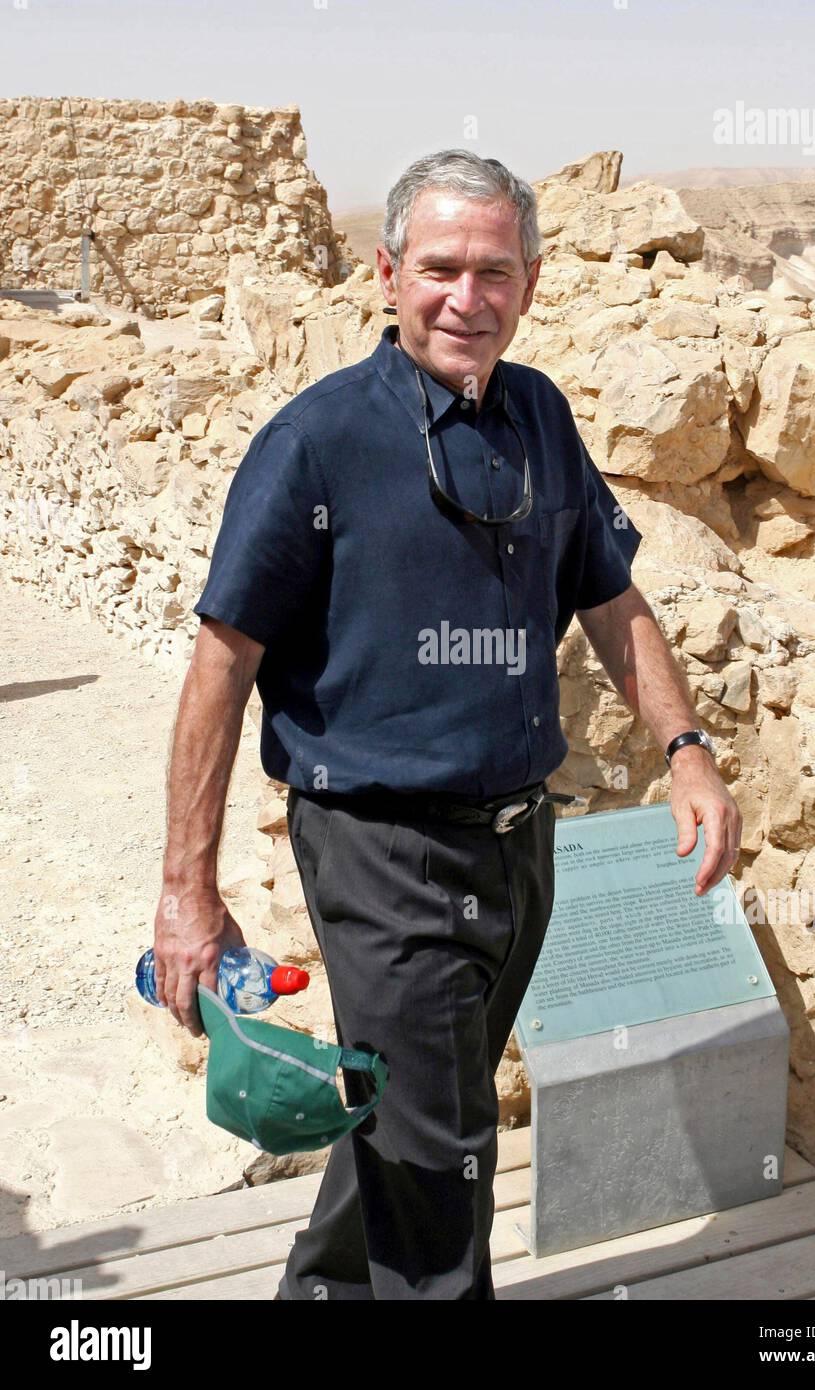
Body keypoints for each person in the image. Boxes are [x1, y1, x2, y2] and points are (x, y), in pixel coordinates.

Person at [153, 148, 742, 1300]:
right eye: (438, 270)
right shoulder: (314, 443)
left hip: (519, 844)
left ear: (529, 278)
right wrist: (187, 888)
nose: (464, 299)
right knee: (440, 1169)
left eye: (492, 272)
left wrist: (686, 750)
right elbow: (220, 664)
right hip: (382, 852)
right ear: (385, 273)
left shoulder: (537, 413)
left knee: (417, 1107)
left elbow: (611, 597)